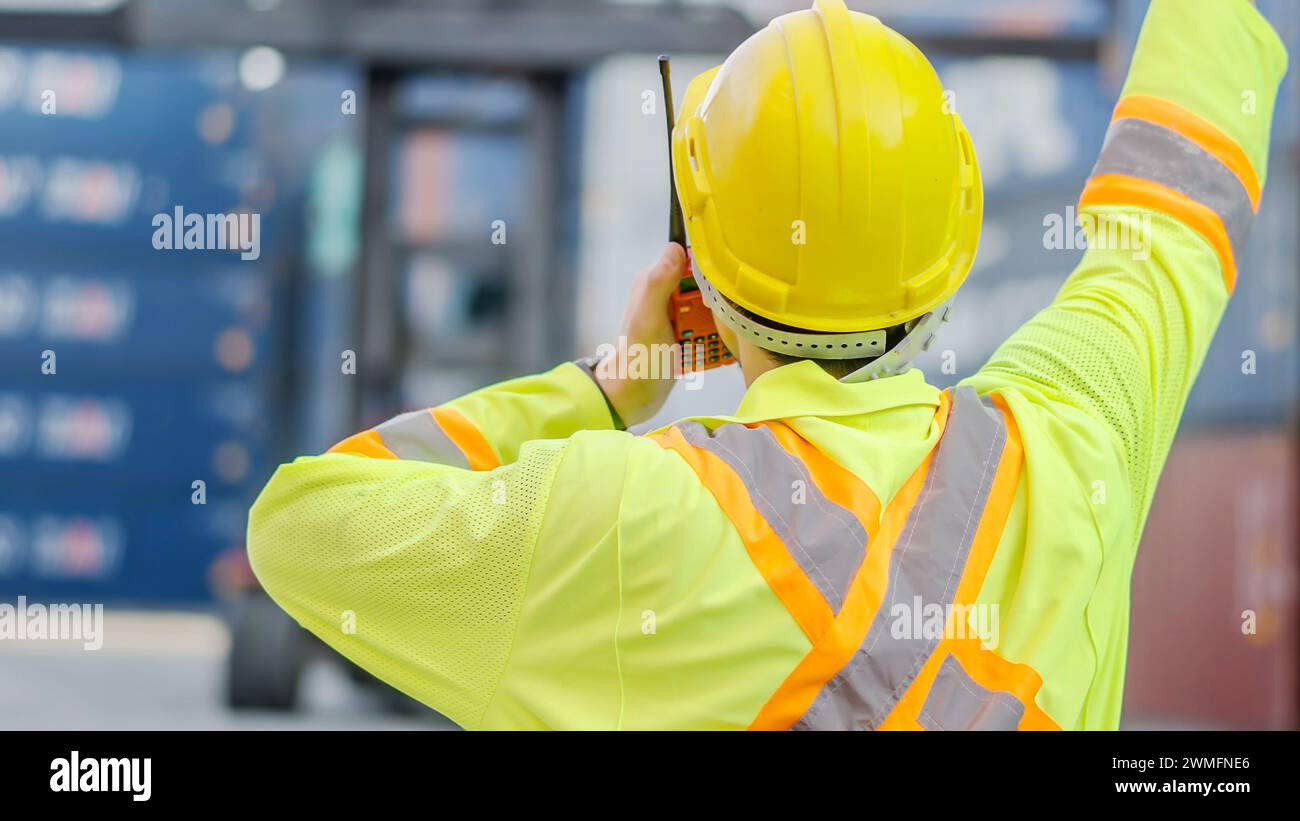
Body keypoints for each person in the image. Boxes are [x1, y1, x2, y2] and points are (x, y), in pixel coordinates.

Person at [246, 0, 1288, 729]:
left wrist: (608, 389)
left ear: (698, 261)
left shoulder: (617, 514)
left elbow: (301, 528)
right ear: (955, 238)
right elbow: (1171, 210)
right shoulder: (1072, 442)